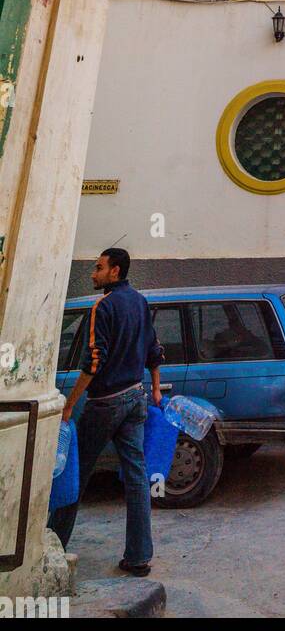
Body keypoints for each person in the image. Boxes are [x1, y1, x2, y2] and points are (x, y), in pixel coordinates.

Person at [49, 247, 164, 576]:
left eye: (98, 268)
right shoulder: (140, 302)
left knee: (76, 474)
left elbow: (94, 362)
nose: (93, 274)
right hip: (136, 397)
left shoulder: (104, 306)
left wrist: (69, 404)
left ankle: (54, 548)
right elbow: (154, 350)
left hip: (106, 403)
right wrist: (155, 388)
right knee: (137, 478)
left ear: (115, 271)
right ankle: (139, 558)